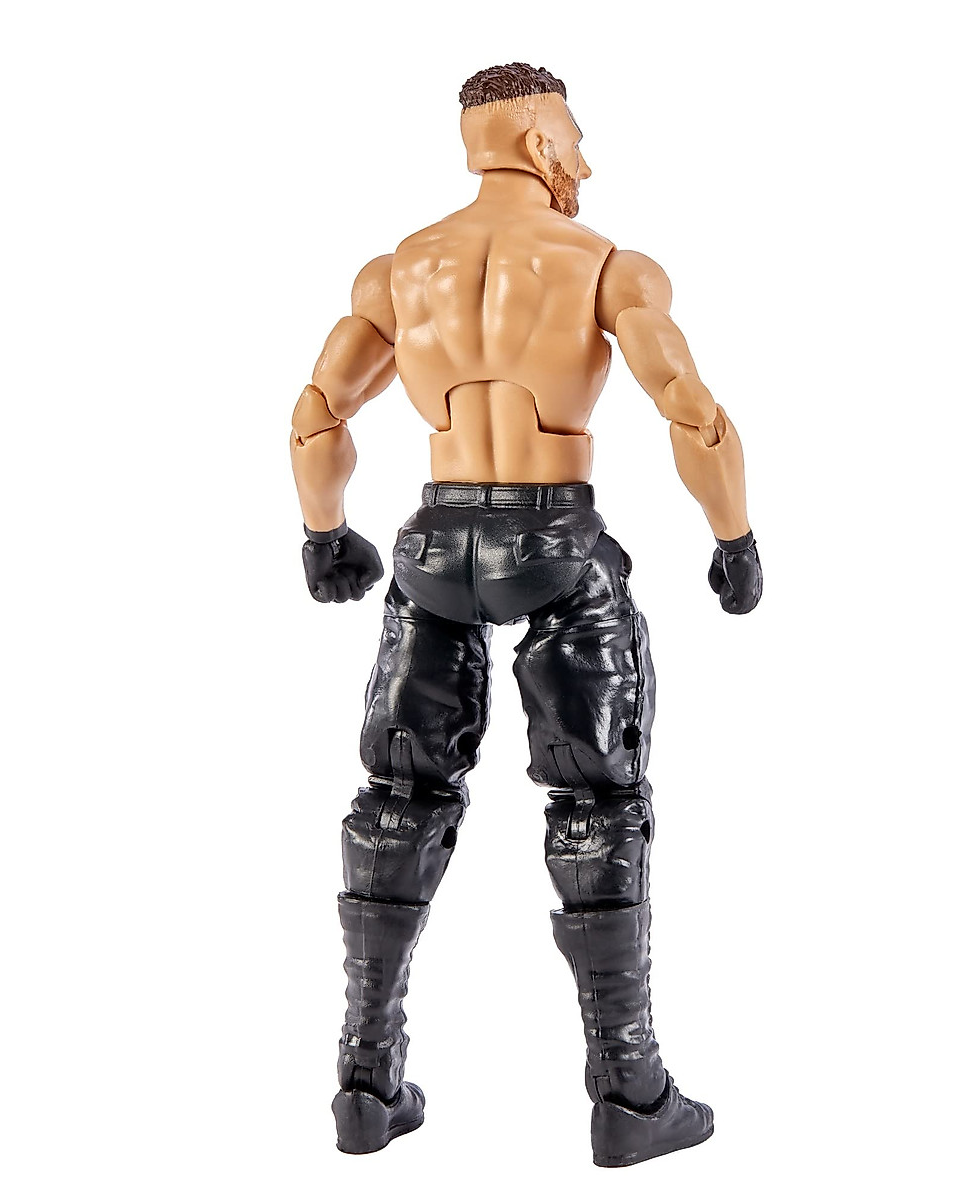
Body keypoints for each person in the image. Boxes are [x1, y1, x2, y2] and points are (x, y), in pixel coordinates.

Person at [290, 62, 763, 1168]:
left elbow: (316, 415)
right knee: (599, 798)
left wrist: (324, 534)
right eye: (575, 139)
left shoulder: (399, 270)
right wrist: (734, 538)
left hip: (433, 543)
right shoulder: (602, 264)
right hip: (553, 542)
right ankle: (629, 1091)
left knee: (398, 796)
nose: (585, 160)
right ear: (540, 141)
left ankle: (365, 1081)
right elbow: (691, 413)